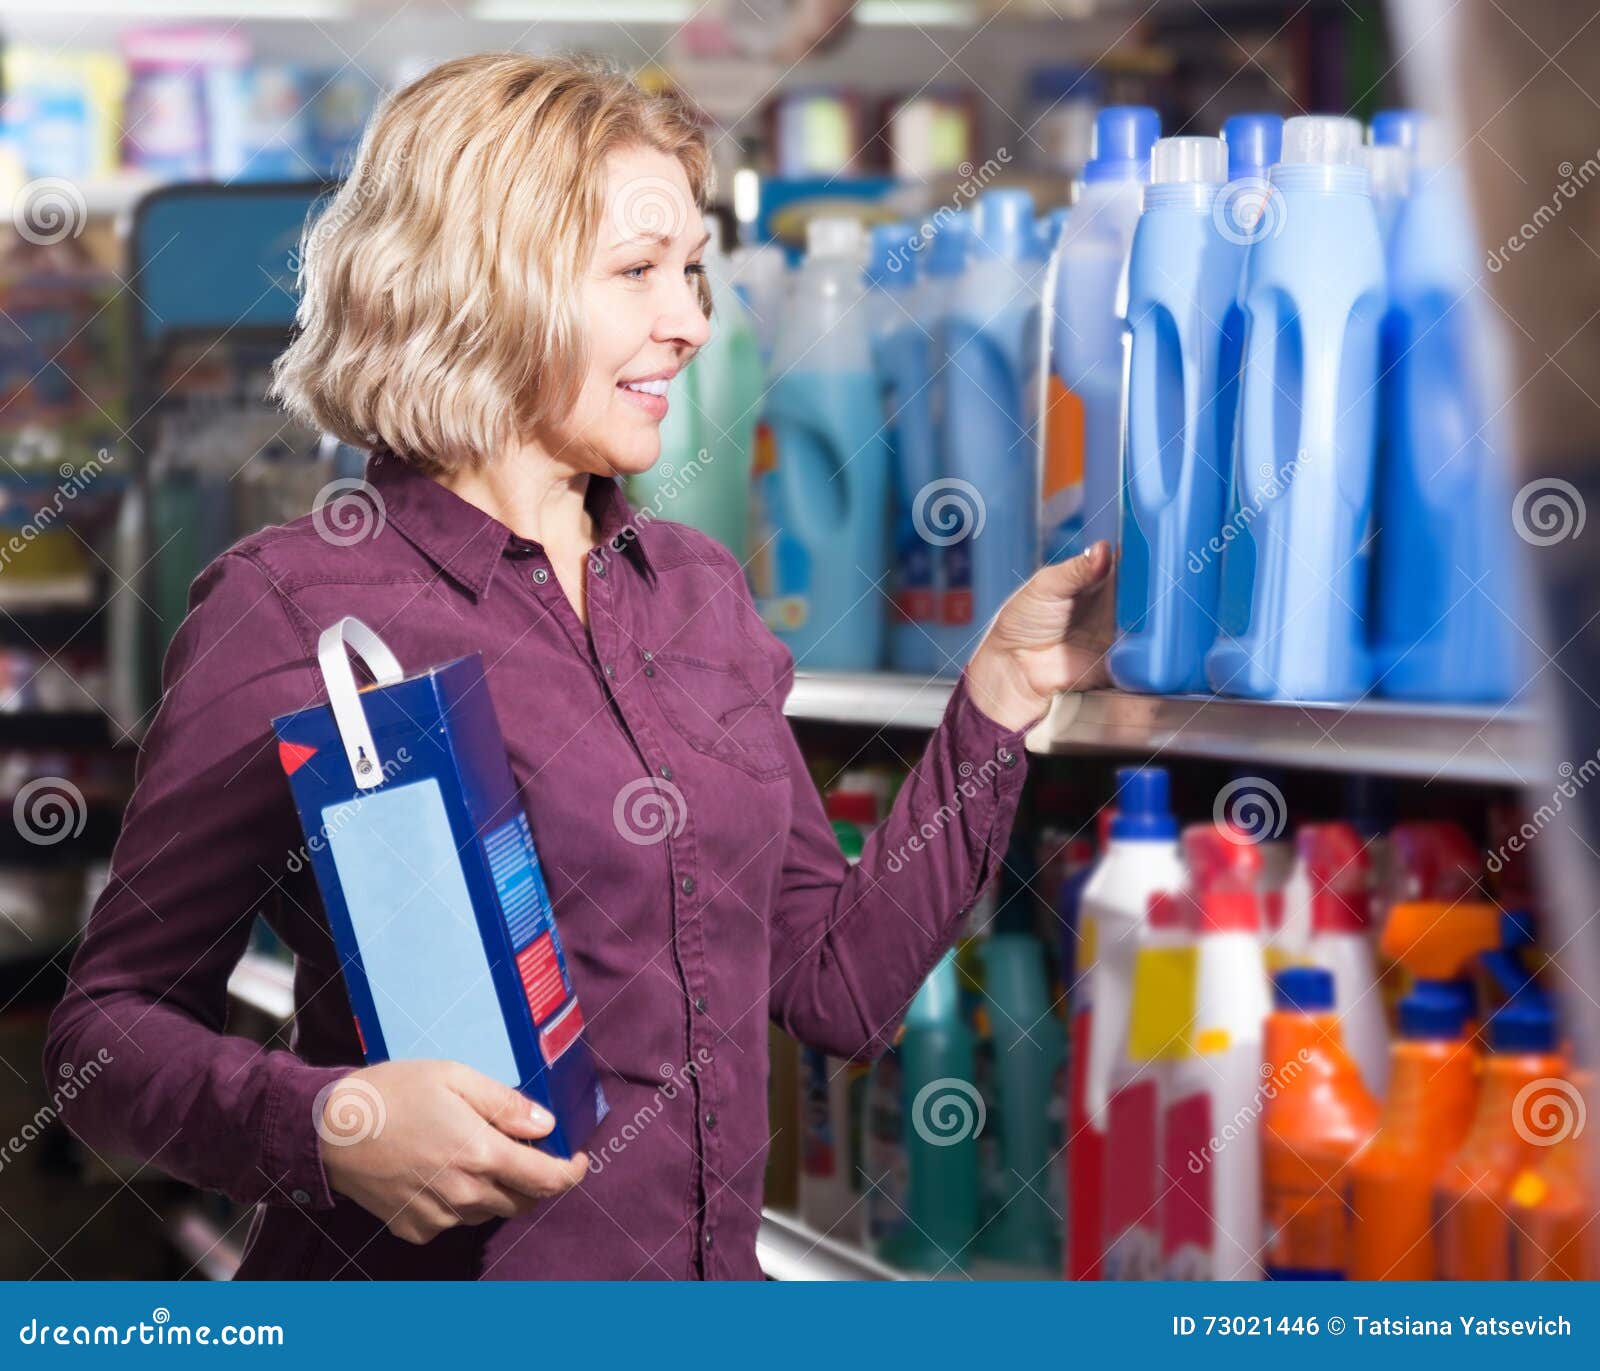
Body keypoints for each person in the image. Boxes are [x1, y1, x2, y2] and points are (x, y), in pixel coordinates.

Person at [42, 53, 1112, 1280]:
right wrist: (333, 1126)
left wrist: (997, 706)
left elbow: (837, 987)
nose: (693, 322)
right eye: (639, 273)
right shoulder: (298, 606)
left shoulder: (700, 592)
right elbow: (106, 1039)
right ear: (484, 288)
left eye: (694, 273)